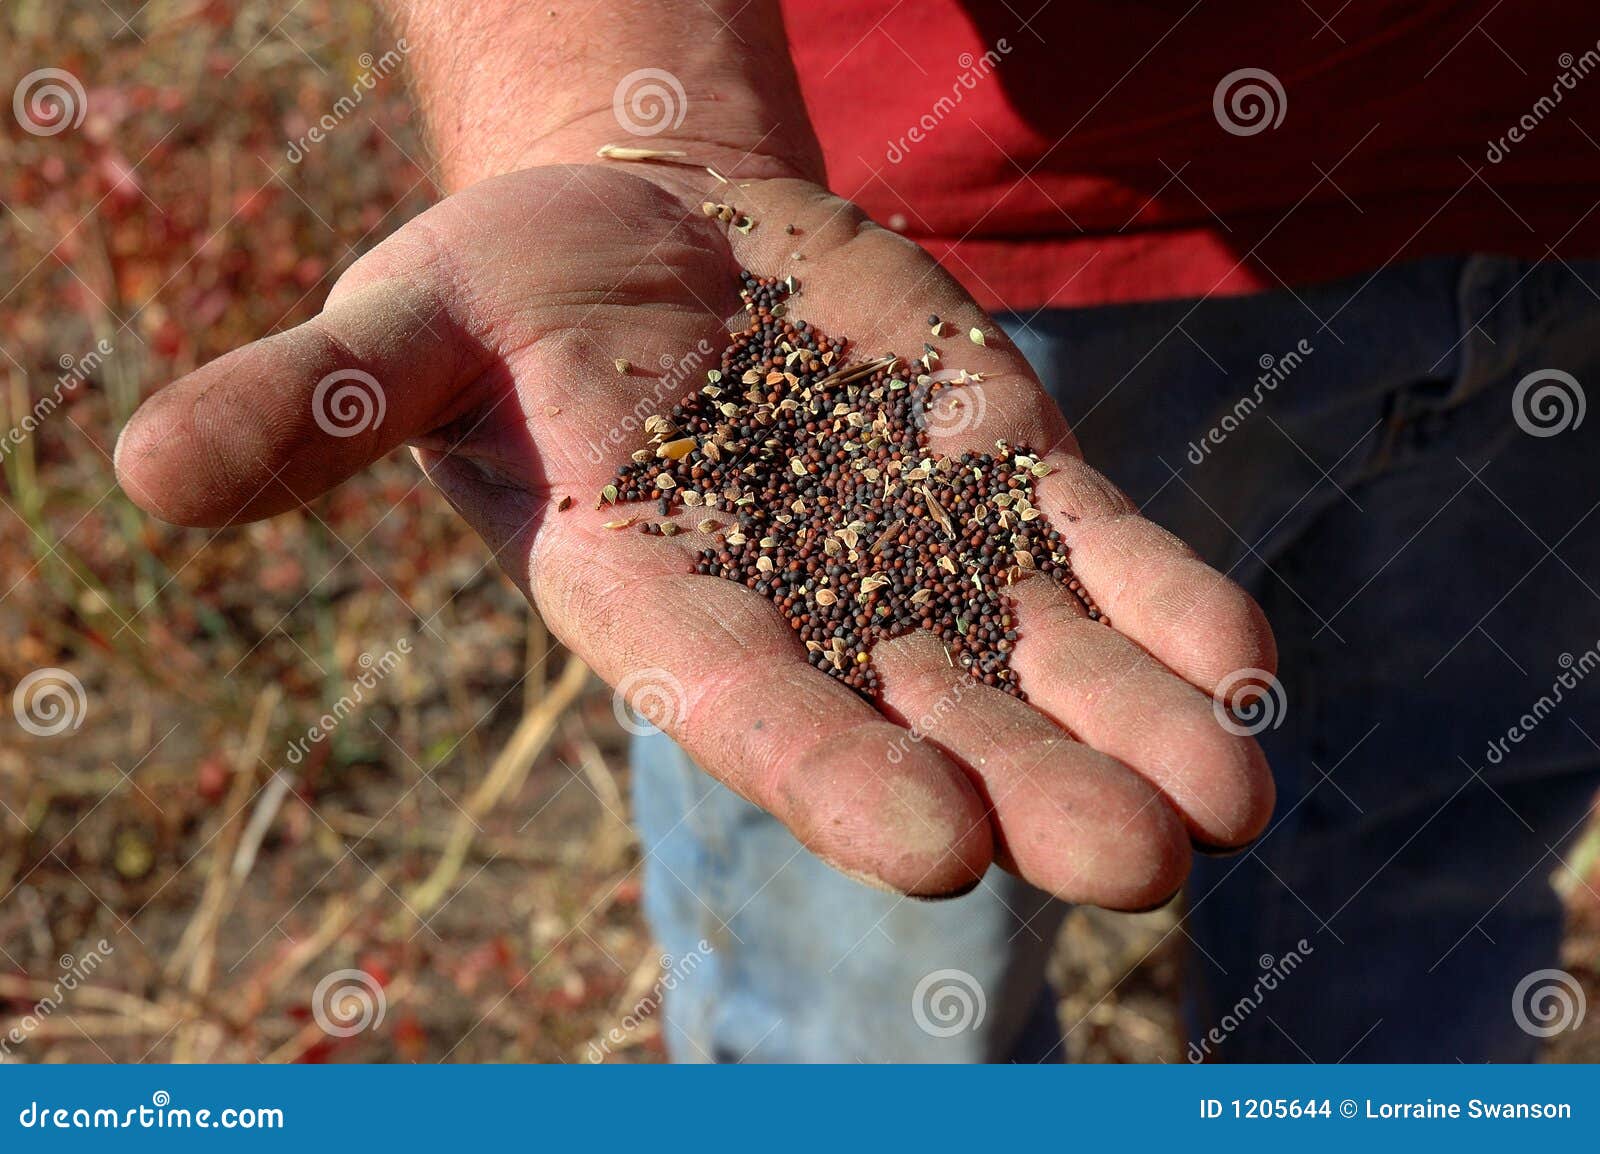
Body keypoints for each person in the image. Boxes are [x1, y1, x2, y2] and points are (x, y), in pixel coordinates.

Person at [115, 1, 1600, 1062]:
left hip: (1556, 200)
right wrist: (625, 110)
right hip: (944, 256)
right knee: (878, 1016)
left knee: (1434, 901)